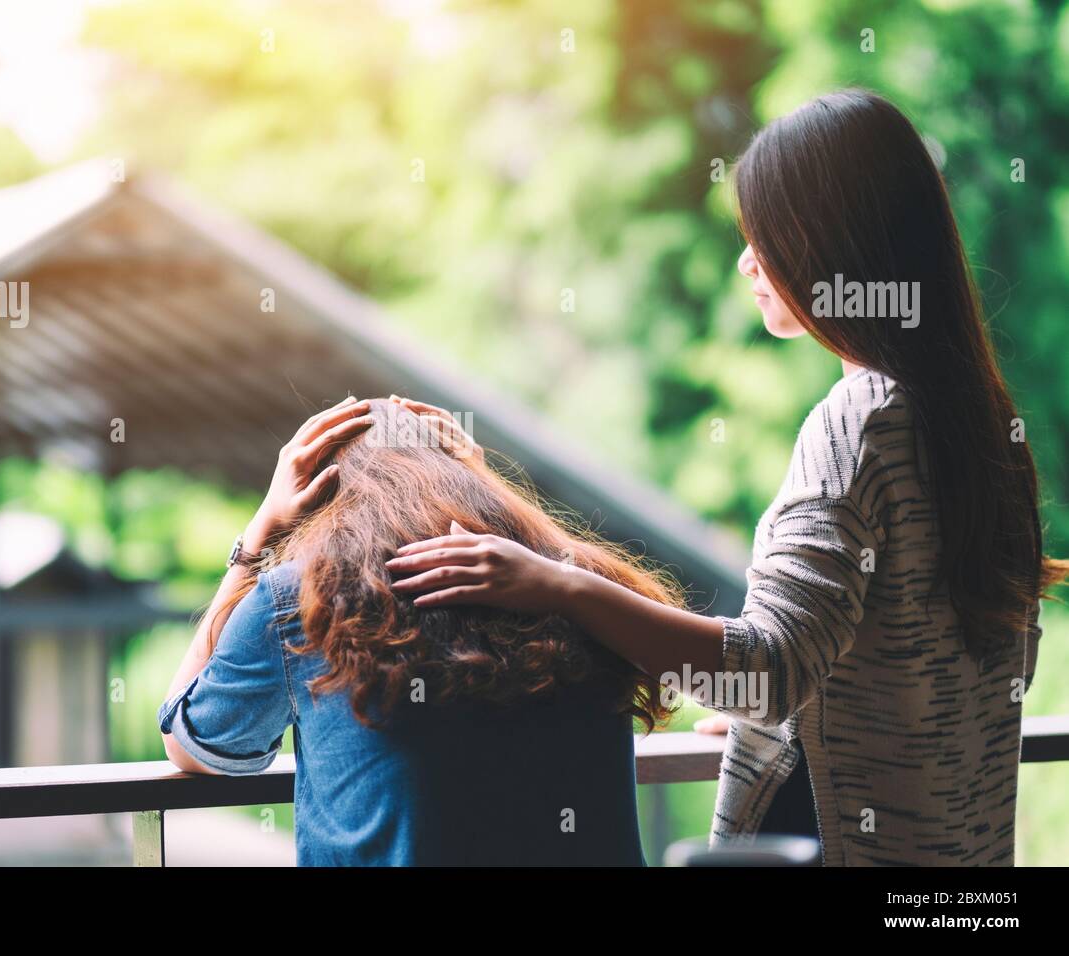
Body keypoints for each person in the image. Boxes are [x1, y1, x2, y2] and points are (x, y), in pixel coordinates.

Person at [387, 90, 1066, 866]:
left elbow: (766, 673)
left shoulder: (859, 424)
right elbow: (927, 672)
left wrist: (554, 585)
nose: (748, 261)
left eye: (765, 235)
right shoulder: (984, 426)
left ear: (832, 243)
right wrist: (787, 732)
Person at [159, 396, 681, 865]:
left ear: (319, 496)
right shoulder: (572, 581)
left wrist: (257, 537)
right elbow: (716, 672)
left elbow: (194, 742)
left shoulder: (305, 595)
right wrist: (485, 487)